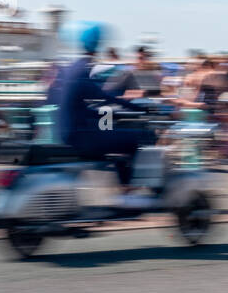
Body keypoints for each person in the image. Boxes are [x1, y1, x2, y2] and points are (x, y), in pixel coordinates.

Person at [56, 23, 156, 188]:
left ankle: (124, 187)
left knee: (118, 138)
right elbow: (106, 98)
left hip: (68, 132)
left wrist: (115, 115)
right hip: (80, 136)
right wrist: (143, 110)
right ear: (98, 45)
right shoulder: (82, 72)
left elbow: (83, 107)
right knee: (140, 138)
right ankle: (129, 191)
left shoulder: (73, 68)